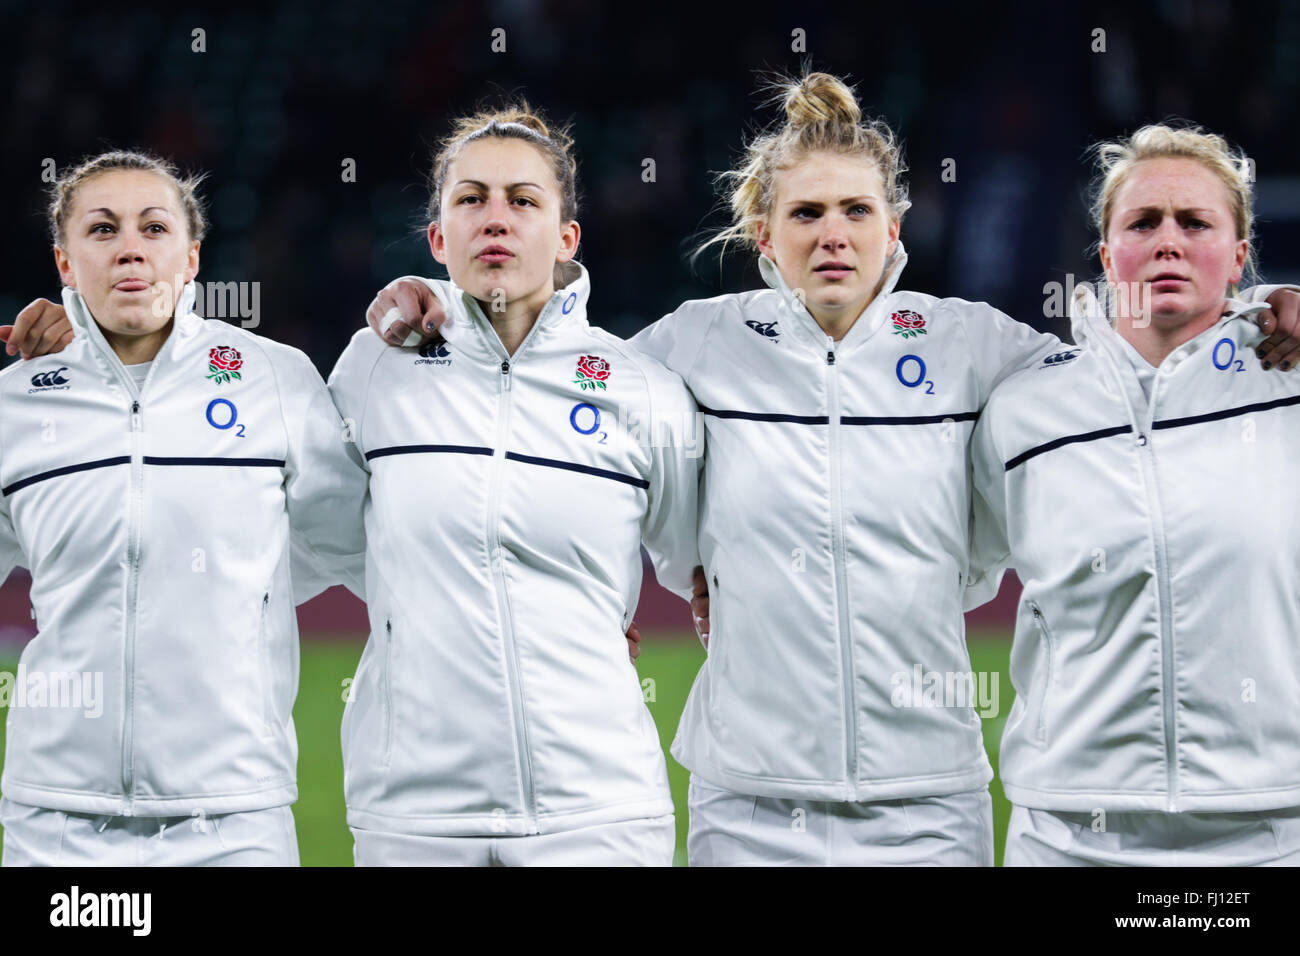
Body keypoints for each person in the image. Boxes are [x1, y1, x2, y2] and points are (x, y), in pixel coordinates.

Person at [368, 74, 1300, 866]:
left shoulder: (979, 349)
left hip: (929, 803)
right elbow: (546, 378)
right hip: (748, 803)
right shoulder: (691, 346)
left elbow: (1133, 370)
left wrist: (1262, 313)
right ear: (766, 237)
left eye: (857, 211)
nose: (833, 234)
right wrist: (438, 301)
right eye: (805, 213)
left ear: (894, 229)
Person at [327, 102, 702, 866]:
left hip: (600, 814)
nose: (495, 217)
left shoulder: (642, 390)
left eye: (523, 200)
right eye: (471, 199)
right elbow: (315, 538)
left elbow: (704, 557)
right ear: (438, 238)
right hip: (414, 819)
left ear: (566, 238)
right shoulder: (371, 370)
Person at [0, 150, 366, 866]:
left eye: (154, 227)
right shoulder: (16, 402)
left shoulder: (274, 380)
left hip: (233, 819)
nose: (130, 246)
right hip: (54, 822)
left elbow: (366, 545)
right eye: (102, 230)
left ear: (192, 256)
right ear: (66, 263)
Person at [969, 123, 1300, 866]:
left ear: (1240, 256)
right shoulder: (1024, 412)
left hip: (1274, 833)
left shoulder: (1292, 385)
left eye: (1196, 222)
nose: (1169, 241)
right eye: (1143, 222)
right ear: (1105, 254)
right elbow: (943, 564)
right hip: (1069, 835)